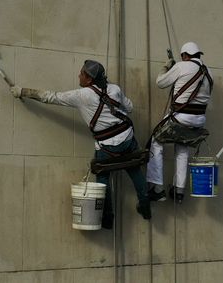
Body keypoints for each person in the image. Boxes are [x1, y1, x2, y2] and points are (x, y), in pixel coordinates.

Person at [11, 59, 151, 227]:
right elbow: (130, 108)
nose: (79, 75)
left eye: (81, 73)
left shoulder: (82, 95)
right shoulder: (115, 89)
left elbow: (51, 97)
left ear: (89, 79)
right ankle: (145, 206)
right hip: (127, 137)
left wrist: (23, 91)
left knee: (103, 176)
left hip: (107, 145)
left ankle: (107, 218)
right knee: (134, 169)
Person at [147, 41, 213, 204]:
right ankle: (179, 191)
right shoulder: (209, 72)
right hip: (198, 121)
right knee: (182, 147)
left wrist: (167, 67)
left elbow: (160, 82)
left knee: (156, 141)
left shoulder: (181, 66)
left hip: (180, 117)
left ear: (185, 55)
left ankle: (157, 189)